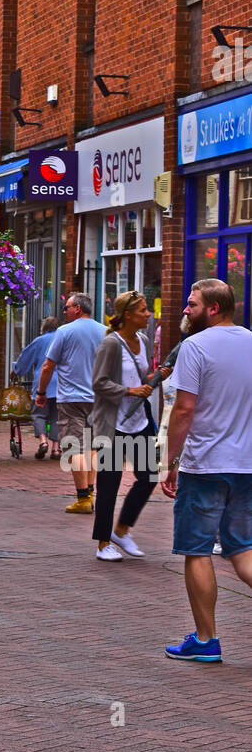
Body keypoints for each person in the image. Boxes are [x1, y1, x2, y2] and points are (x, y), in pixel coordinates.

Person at [163, 279, 252, 662]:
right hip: (247, 464)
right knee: (244, 548)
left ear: (213, 308)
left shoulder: (194, 346)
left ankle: (205, 640)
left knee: (196, 550)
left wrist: (171, 461)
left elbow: (184, 409)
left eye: (192, 304)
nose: (185, 310)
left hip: (205, 465)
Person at [89, 290, 168, 562]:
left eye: (147, 309)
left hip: (139, 420)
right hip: (114, 424)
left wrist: (156, 376)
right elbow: (98, 383)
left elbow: (141, 374)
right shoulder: (111, 344)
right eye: (143, 310)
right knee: (109, 483)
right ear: (127, 315)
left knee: (149, 476)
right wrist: (130, 391)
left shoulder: (143, 340)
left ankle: (121, 529)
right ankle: (102, 544)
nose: (148, 314)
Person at [35, 292, 106, 513]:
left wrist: (41, 392)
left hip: (71, 399)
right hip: (98, 398)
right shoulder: (105, 331)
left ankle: (83, 498)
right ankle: (91, 491)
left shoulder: (64, 332)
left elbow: (48, 366)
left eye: (66, 307)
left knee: (75, 447)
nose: (64, 311)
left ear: (78, 308)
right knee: (93, 446)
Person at [15, 316, 60, 459]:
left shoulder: (39, 341)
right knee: (57, 417)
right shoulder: (62, 339)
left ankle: (43, 441)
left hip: (43, 383)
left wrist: (16, 370)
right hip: (62, 384)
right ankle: (56, 448)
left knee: (38, 414)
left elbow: (24, 360)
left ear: (44, 328)